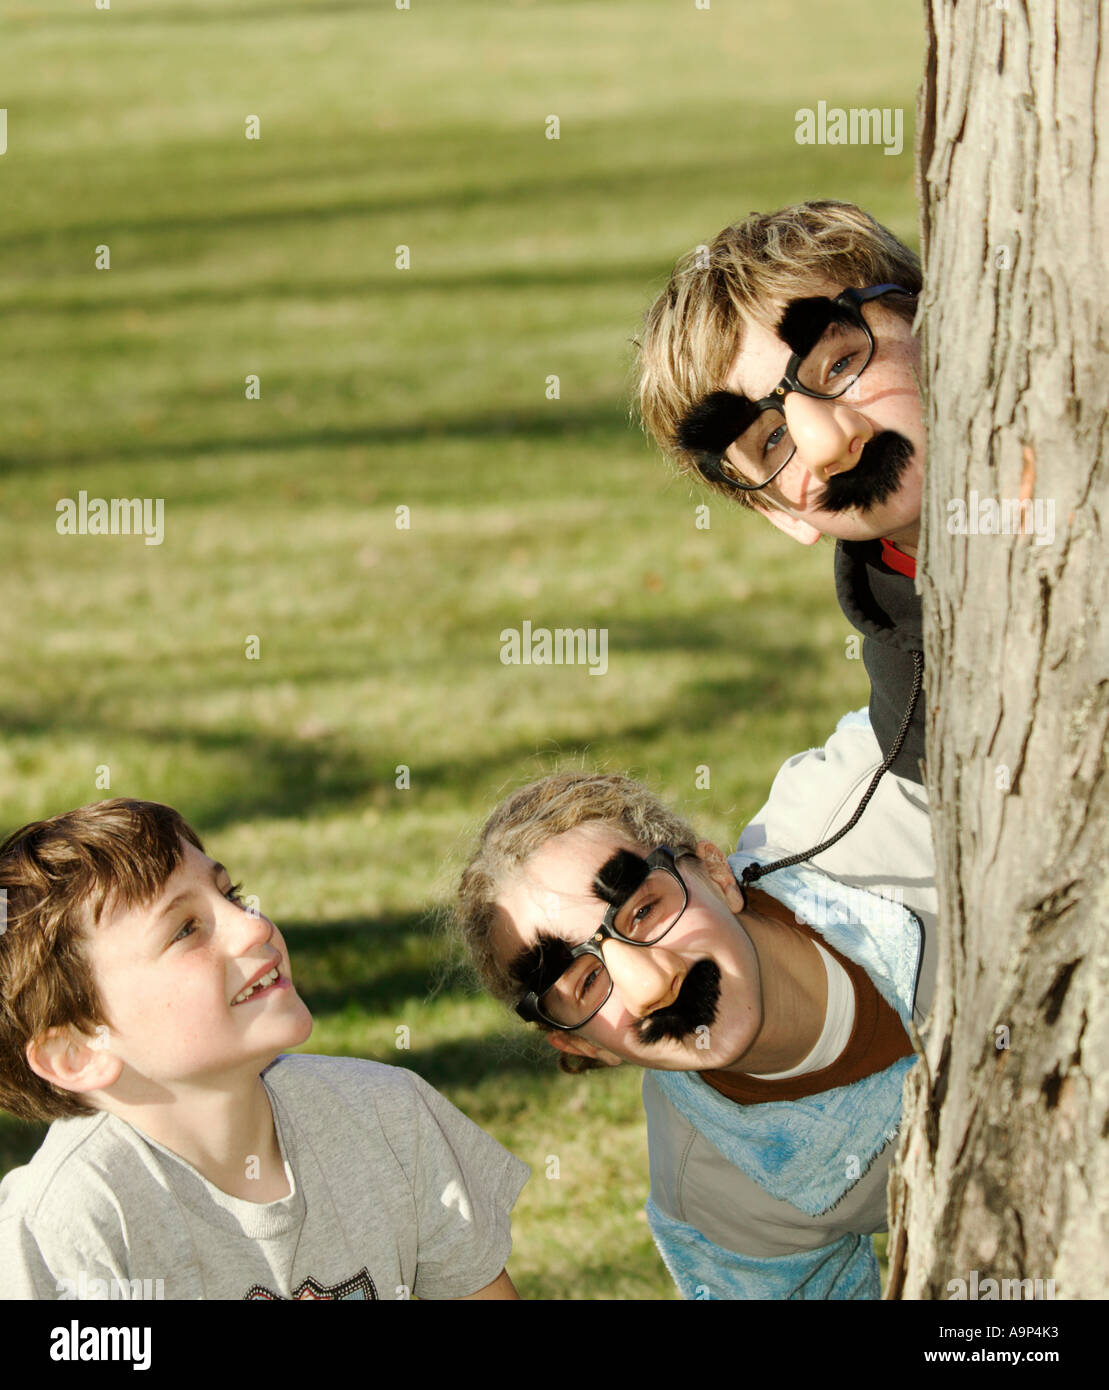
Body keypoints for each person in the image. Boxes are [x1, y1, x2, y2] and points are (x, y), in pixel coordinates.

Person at [0, 799, 528, 1300]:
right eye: (185, 929)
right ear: (77, 1054)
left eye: (230, 895)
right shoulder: (72, 1222)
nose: (253, 924)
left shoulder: (389, 1120)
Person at [456, 751, 935, 1300]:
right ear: (578, 1044)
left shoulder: (882, 797)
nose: (651, 985)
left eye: (643, 911)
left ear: (716, 873)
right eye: (585, 982)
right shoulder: (712, 1194)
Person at [636, 200, 926, 785]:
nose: (830, 441)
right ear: (779, 514)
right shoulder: (915, 711)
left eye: (841, 362)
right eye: (771, 441)